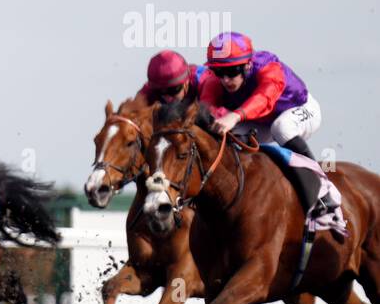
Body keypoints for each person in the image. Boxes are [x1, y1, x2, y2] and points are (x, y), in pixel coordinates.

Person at [199, 31, 330, 215]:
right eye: (219, 72)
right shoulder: (214, 80)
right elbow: (206, 108)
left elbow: (264, 99)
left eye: (232, 71)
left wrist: (234, 116)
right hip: (262, 121)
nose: (225, 79)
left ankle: (323, 191)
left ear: (248, 65)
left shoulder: (268, 67)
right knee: (230, 134)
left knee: (282, 128)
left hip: (300, 110)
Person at [136, 49, 205, 105]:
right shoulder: (147, 92)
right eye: (160, 91)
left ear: (186, 83)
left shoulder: (204, 82)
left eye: (173, 90)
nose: (168, 98)